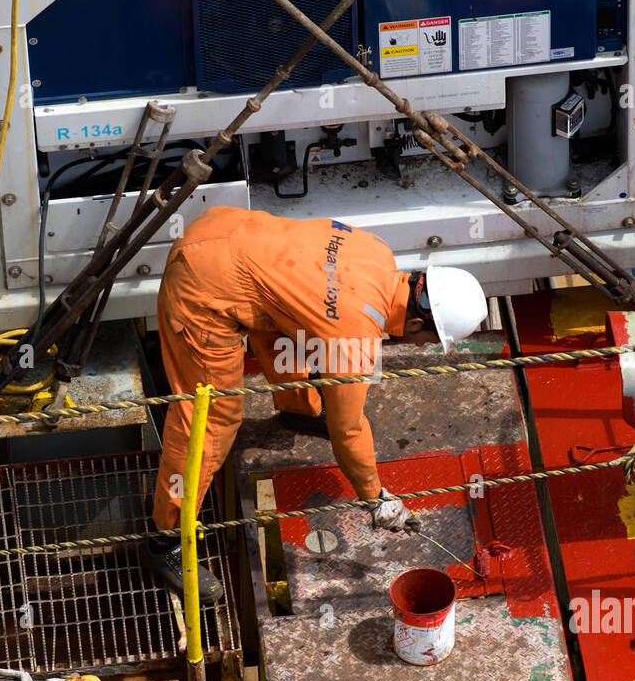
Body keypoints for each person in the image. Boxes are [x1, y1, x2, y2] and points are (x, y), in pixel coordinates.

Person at [141, 206, 488, 601]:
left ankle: (299, 406)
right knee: (212, 419)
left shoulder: (376, 251)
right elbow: (348, 429)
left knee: (290, 315)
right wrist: (377, 498)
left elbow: (308, 302)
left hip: (221, 229)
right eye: (429, 341)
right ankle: (164, 541)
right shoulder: (356, 337)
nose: (423, 347)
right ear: (415, 324)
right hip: (200, 287)